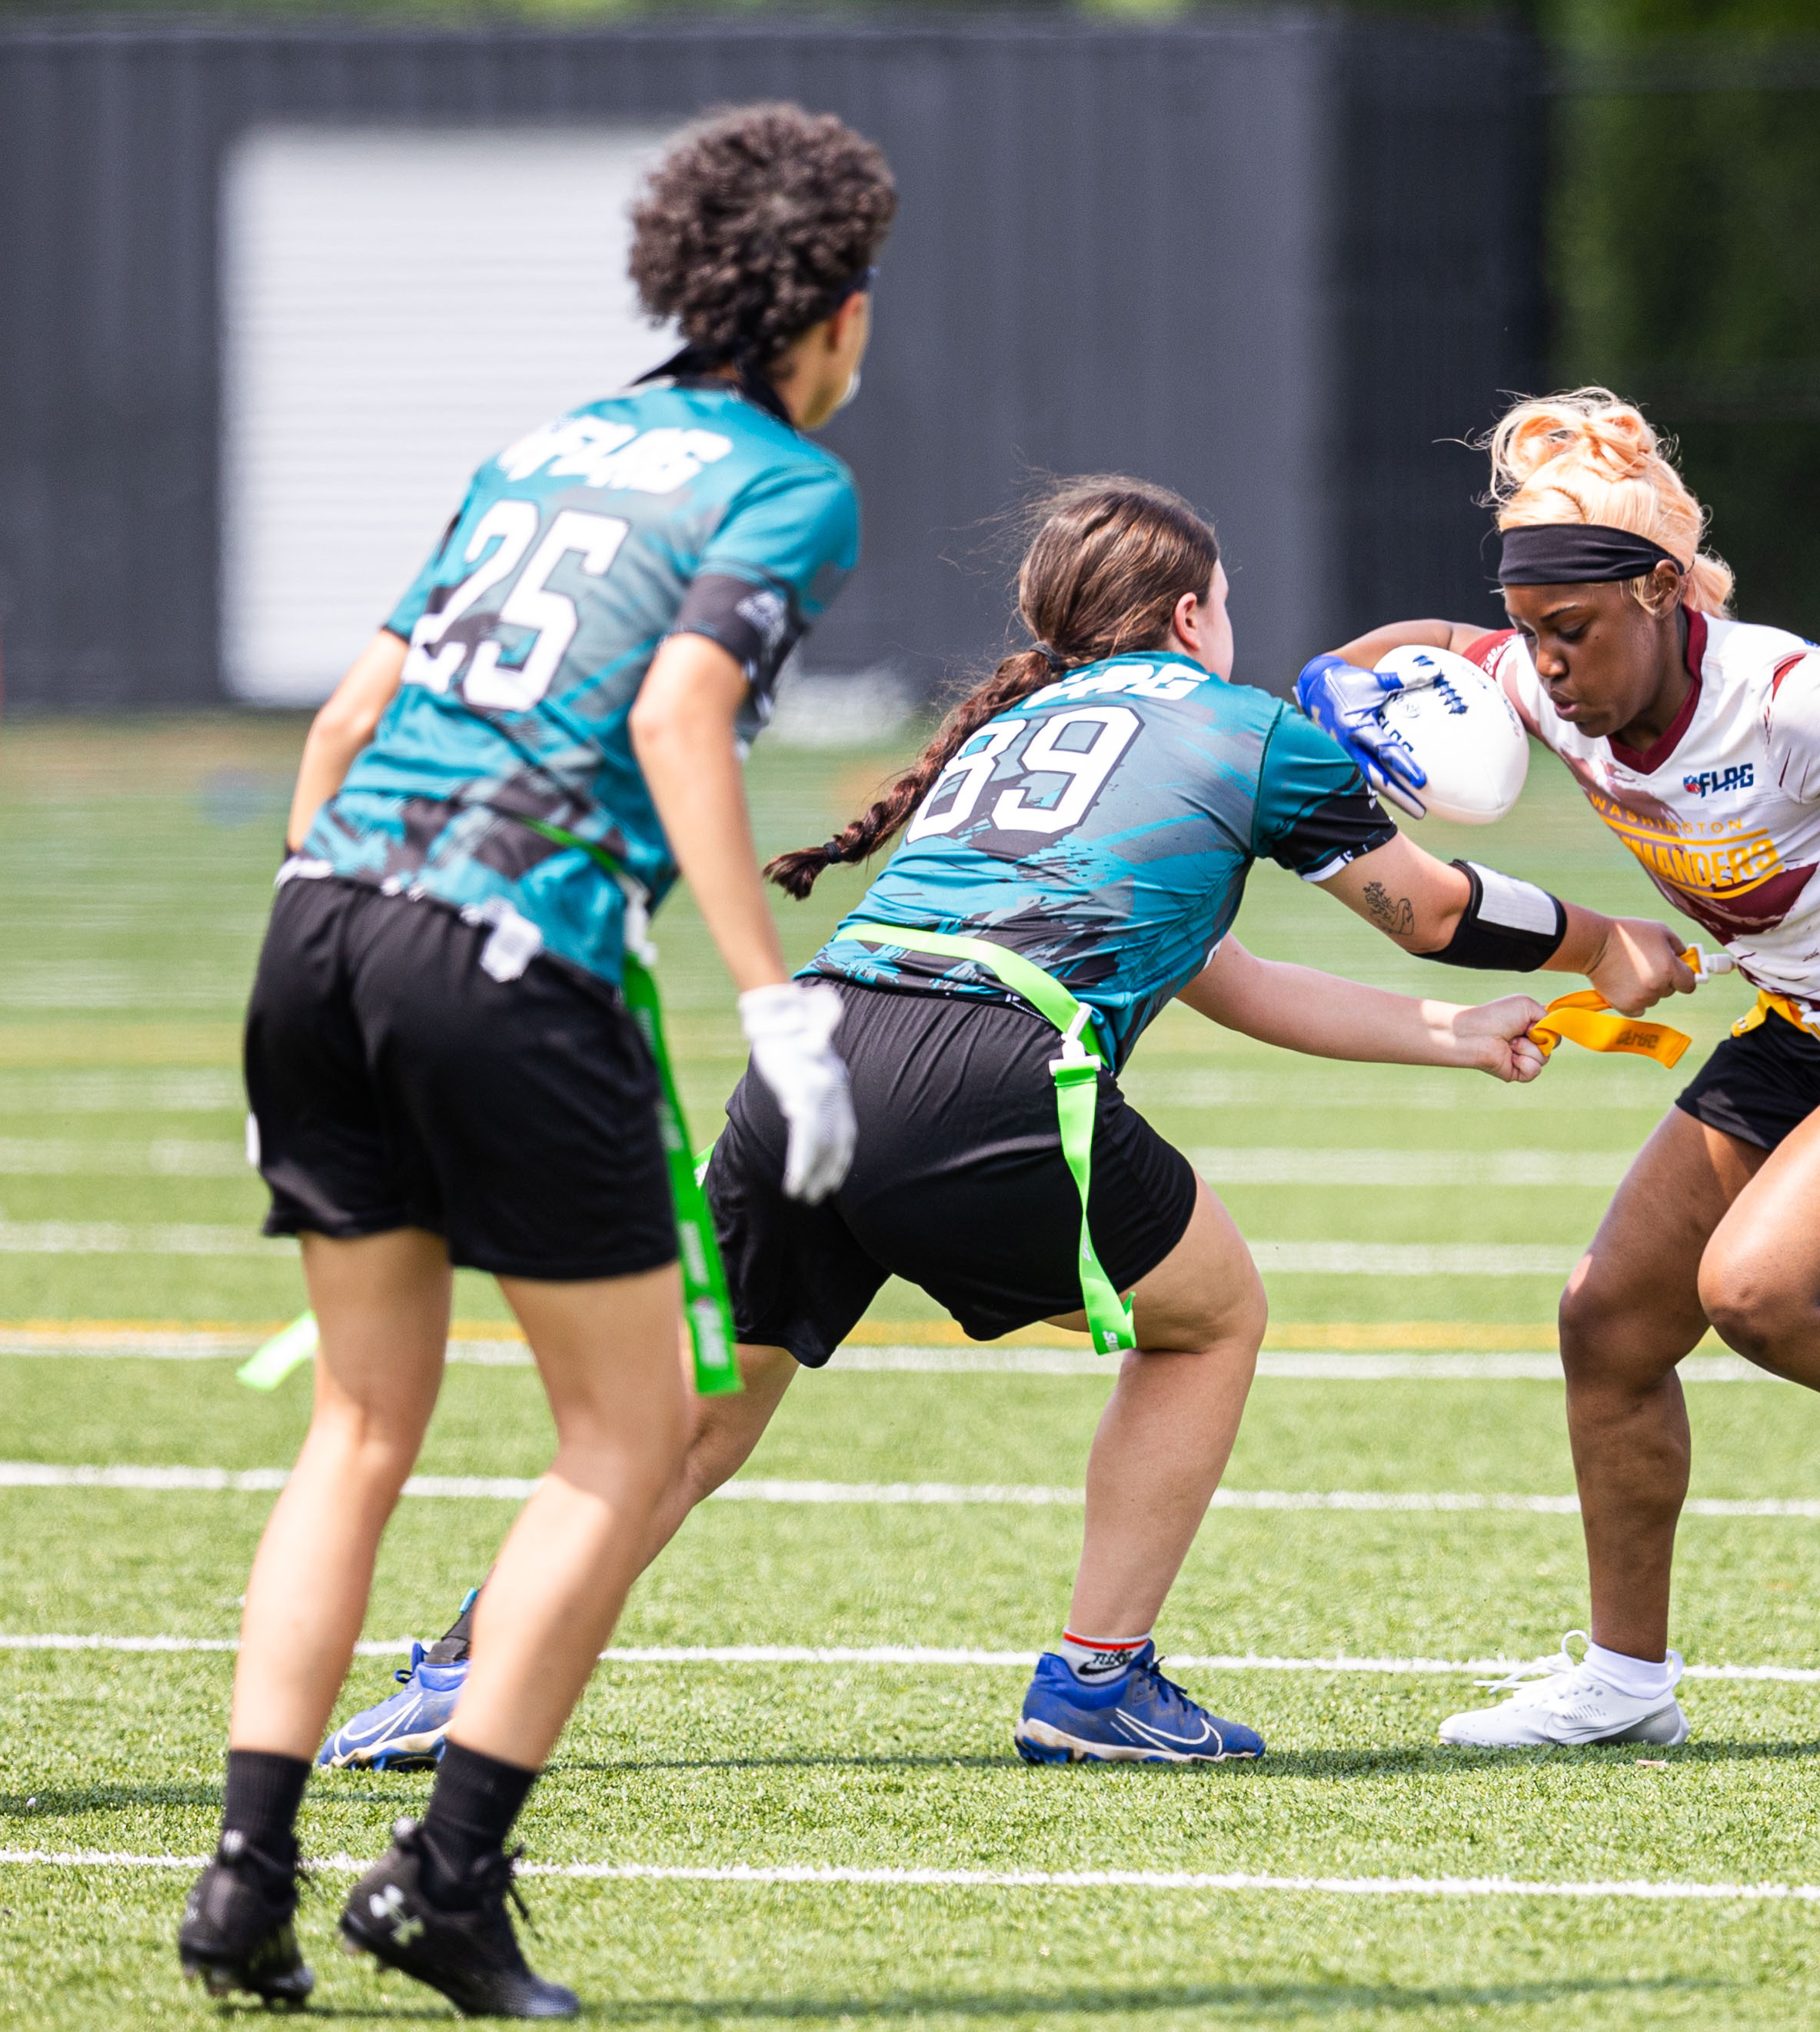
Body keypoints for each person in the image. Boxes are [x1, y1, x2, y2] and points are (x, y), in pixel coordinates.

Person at [308, 473, 1699, 1774]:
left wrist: (1445, 1038)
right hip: (986, 1066)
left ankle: (467, 1668)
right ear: (1189, 614)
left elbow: (1223, 974)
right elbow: (1439, 910)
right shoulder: (1244, 726)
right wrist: (1598, 944)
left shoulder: (1016, 728)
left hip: (820, 1048)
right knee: (1210, 1319)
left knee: (689, 1415)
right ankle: (1098, 1681)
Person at [178, 105, 897, 2017]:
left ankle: (245, 1873)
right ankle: (444, 1874)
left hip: (322, 912)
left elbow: (354, 708)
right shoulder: (786, 480)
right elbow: (678, 716)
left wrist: (309, 951)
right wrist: (770, 994)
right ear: (822, 308)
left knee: (359, 1421)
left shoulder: (543, 443)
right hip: (504, 946)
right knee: (632, 1430)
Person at [1296, 388, 1820, 1751]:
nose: (1547, 669)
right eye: (1526, 635)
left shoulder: (1787, 695)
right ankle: (1626, 1685)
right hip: (1805, 1024)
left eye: (1570, 632)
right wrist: (1345, 692)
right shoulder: (1534, 671)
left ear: (1657, 591)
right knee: (1611, 1323)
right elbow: (1413, 649)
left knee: (1756, 1290)